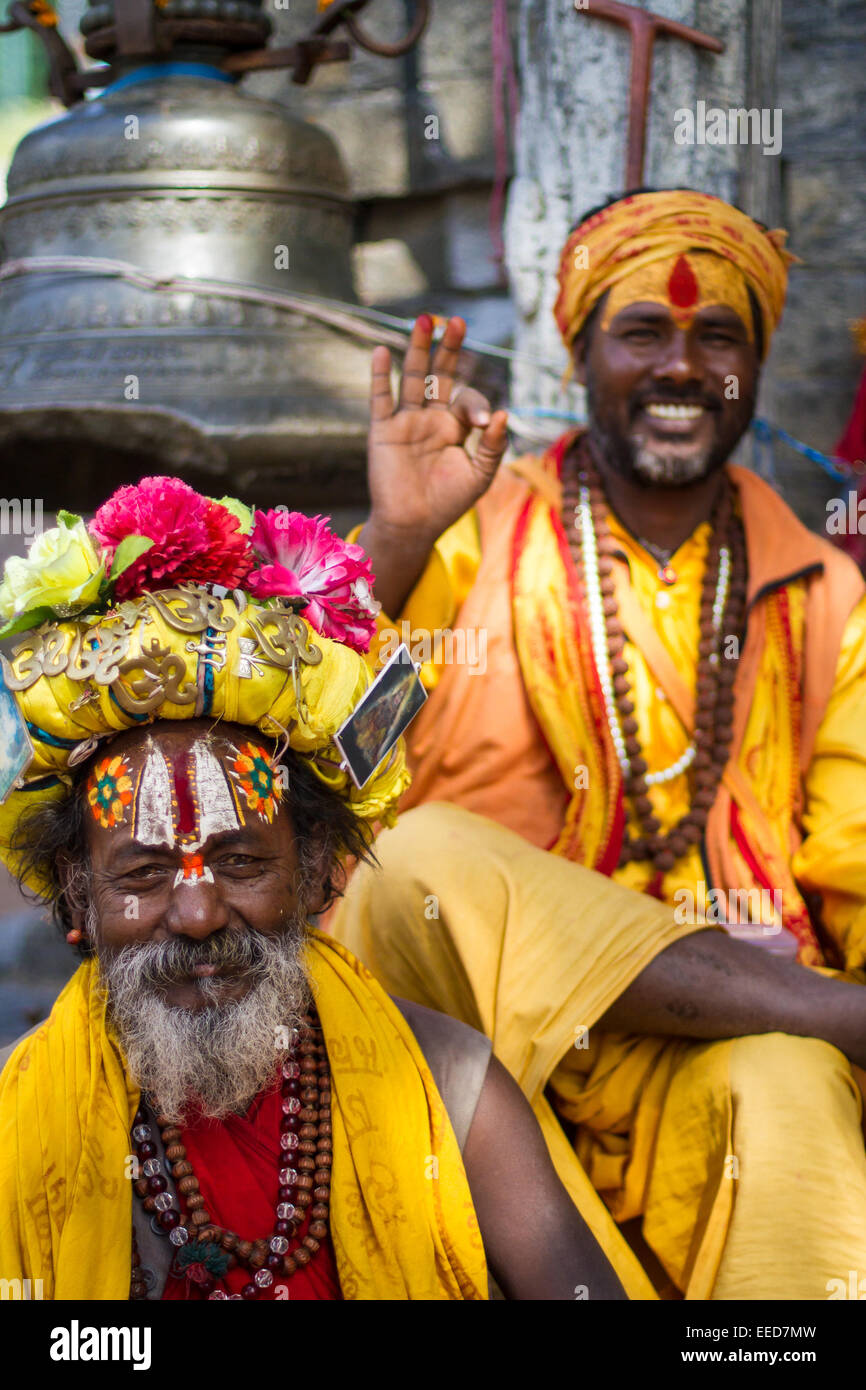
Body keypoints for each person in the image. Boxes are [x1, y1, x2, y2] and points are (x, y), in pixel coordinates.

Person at [333, 188, 866, 1298]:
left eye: (714, 333)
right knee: (419, 858)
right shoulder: (466, 533)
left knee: (791, 1092)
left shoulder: (823, 595)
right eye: (641, 330)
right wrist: (392, 535)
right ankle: (822, 1011)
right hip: (476, 1014)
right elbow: (316, 744)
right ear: (580, 354)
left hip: (722, 1031)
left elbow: (854, 858)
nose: (679, 363)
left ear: (753, 365)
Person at [0, 478, 626, 1301]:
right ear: (78, 899)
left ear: (322, 869)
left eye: (242, 862)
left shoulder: (450, 1087)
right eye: (145, 875)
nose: (196, 915)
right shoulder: (16, 1126)